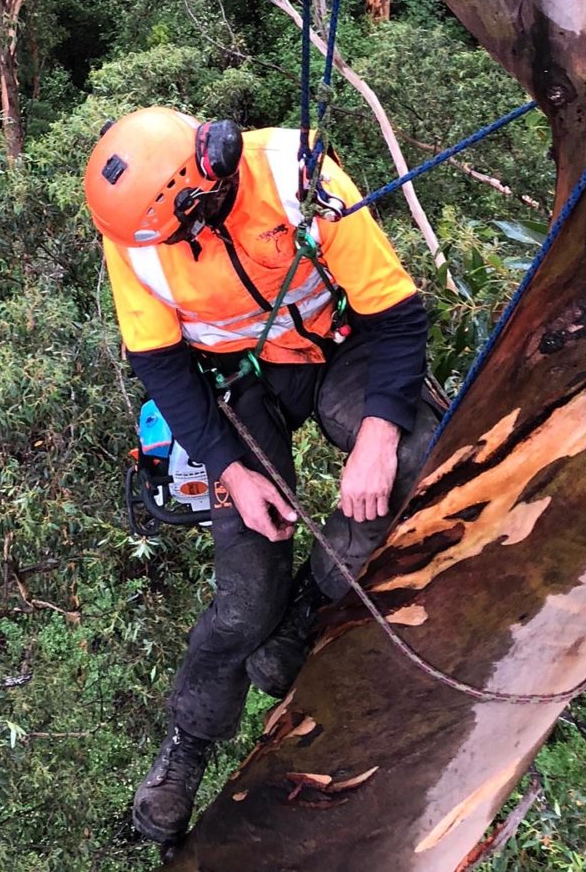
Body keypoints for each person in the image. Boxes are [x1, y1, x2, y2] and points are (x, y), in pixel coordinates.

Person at [83, 107, 435, 843]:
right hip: (239, 386)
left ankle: (315, 600)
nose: (177, 248)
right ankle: (186, 749)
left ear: (205, 181)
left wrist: (376, 436)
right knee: (245, 604)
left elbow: (399, 314)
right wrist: (231, 470)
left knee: (412, 459)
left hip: (339, 347)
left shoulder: (292, 175)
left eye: (181, 231)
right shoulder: (135, 238)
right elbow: (161, 366)